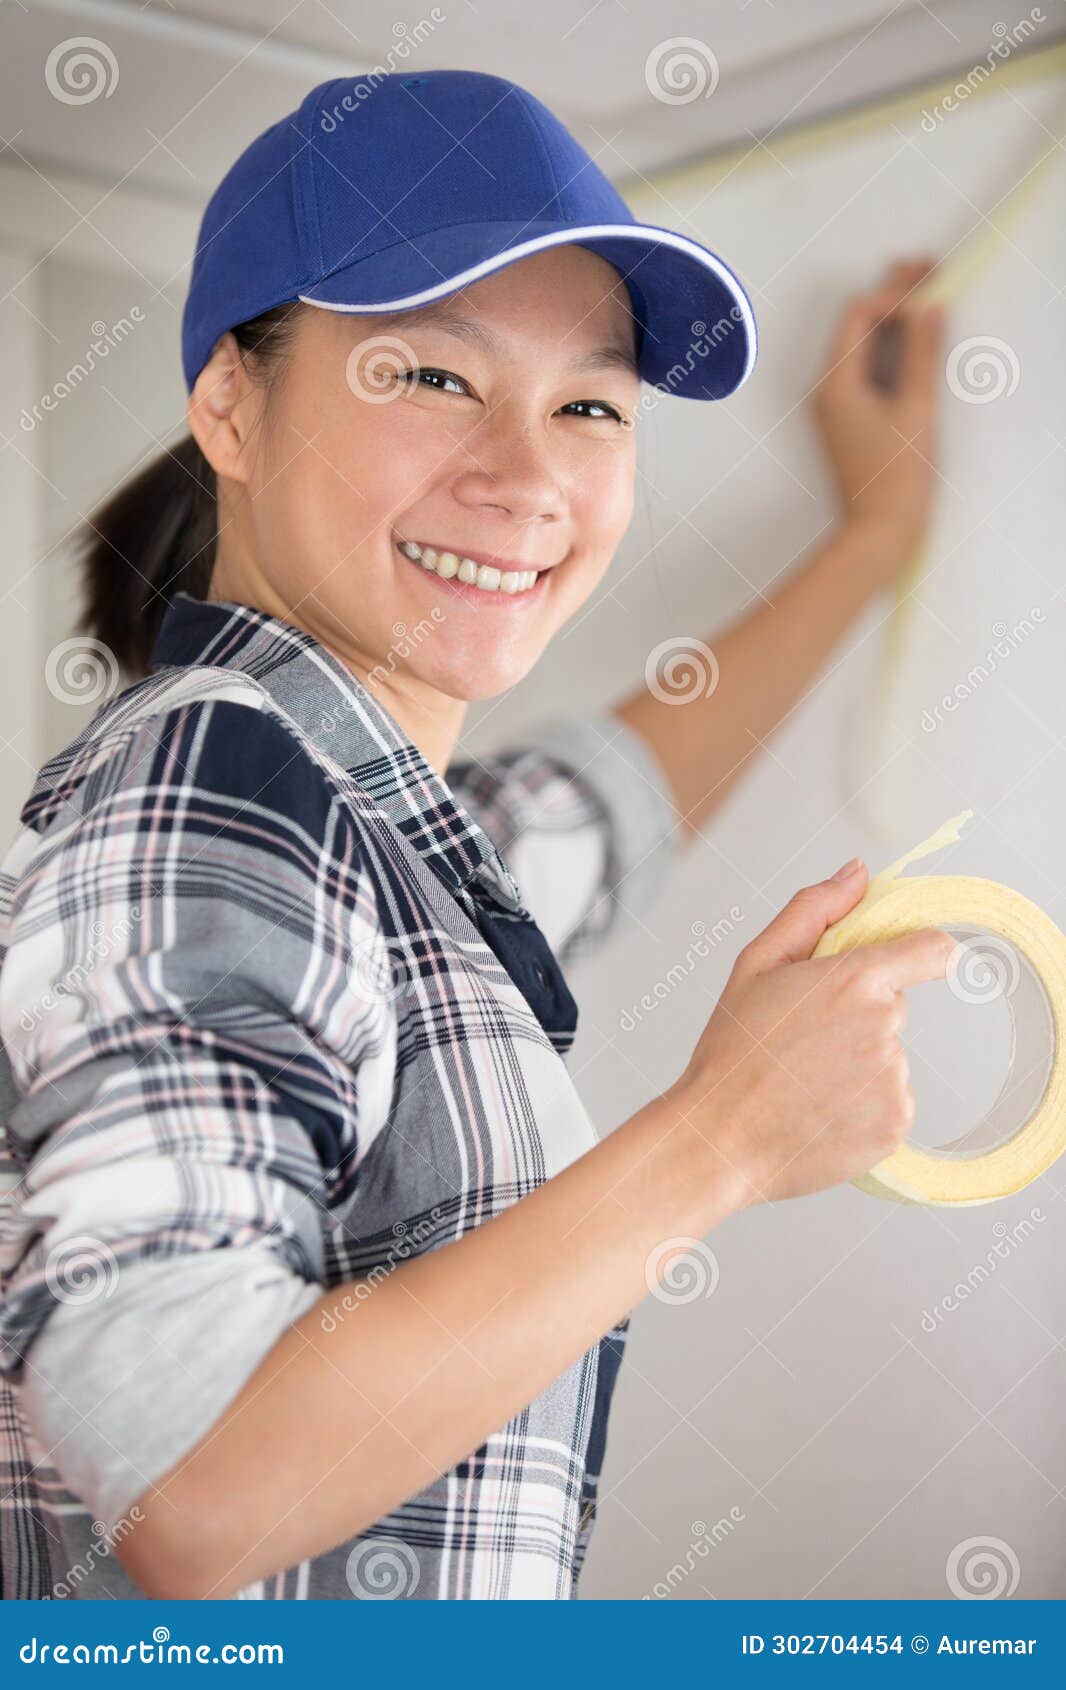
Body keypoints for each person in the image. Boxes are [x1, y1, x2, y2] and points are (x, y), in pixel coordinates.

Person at [0, 69, 951, 1601]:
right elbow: (181, 1480)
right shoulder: (219, 781)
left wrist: (872, 539)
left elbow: (615, 797)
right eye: (431, 378)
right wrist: (722, 1139)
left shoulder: (373, 840)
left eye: (587, 404)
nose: (525, 476)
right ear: (228, 403)